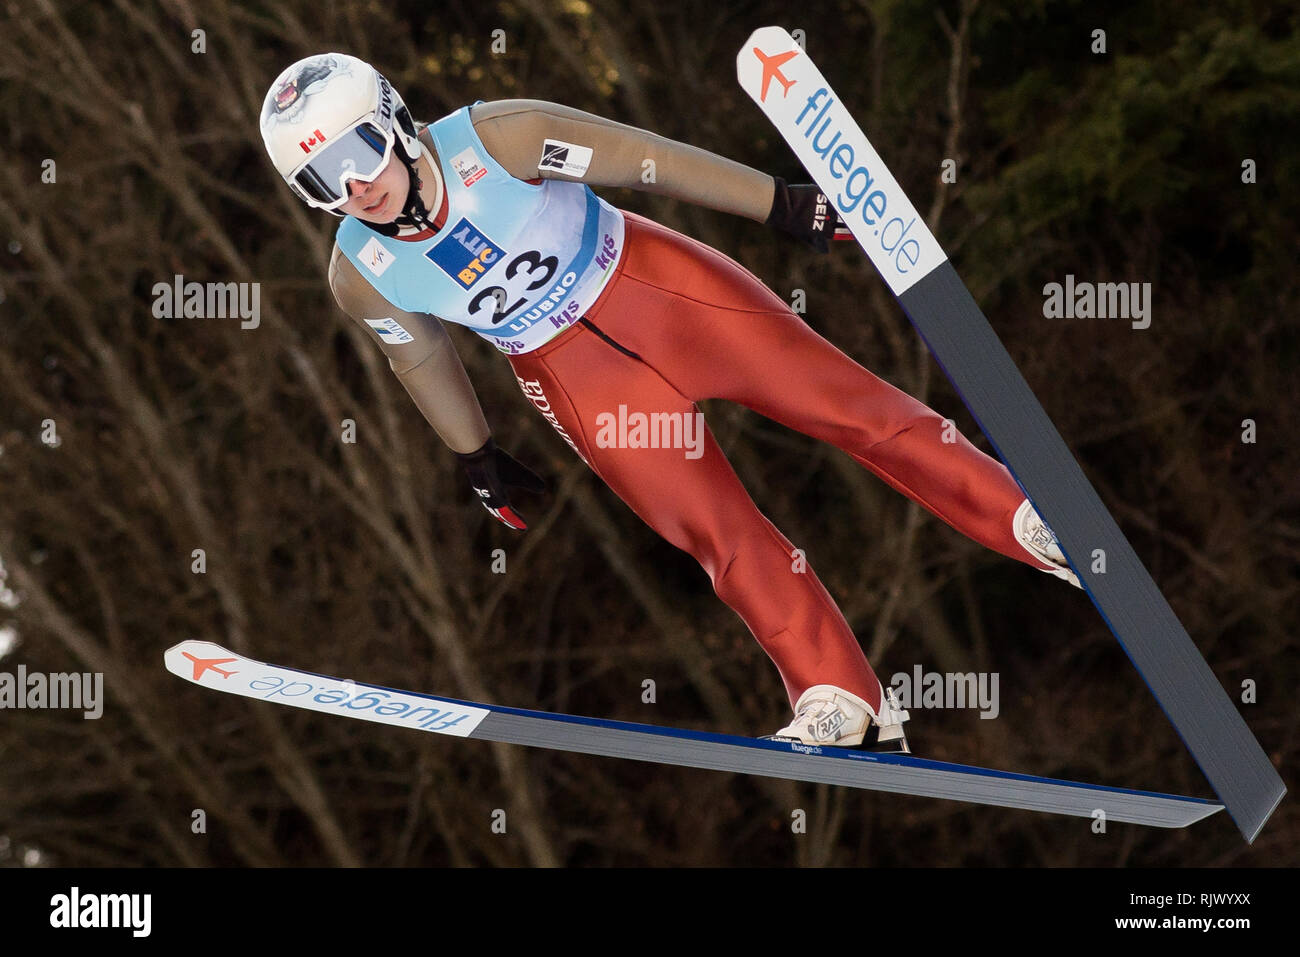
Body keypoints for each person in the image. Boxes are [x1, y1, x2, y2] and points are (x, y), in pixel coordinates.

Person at [259, 52, 1079, 754]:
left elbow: (645, 158)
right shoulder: (357, 271)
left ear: (396, 121)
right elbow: (424, 357)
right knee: (718, 536)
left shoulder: (497, 137)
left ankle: (1026, 518)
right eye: (323, 179)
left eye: (361, 153)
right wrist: (474, 454)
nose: (357, 186)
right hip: (575, 377)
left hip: (663, 289)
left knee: (855, 409)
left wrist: (781, 203)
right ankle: (842, 699)